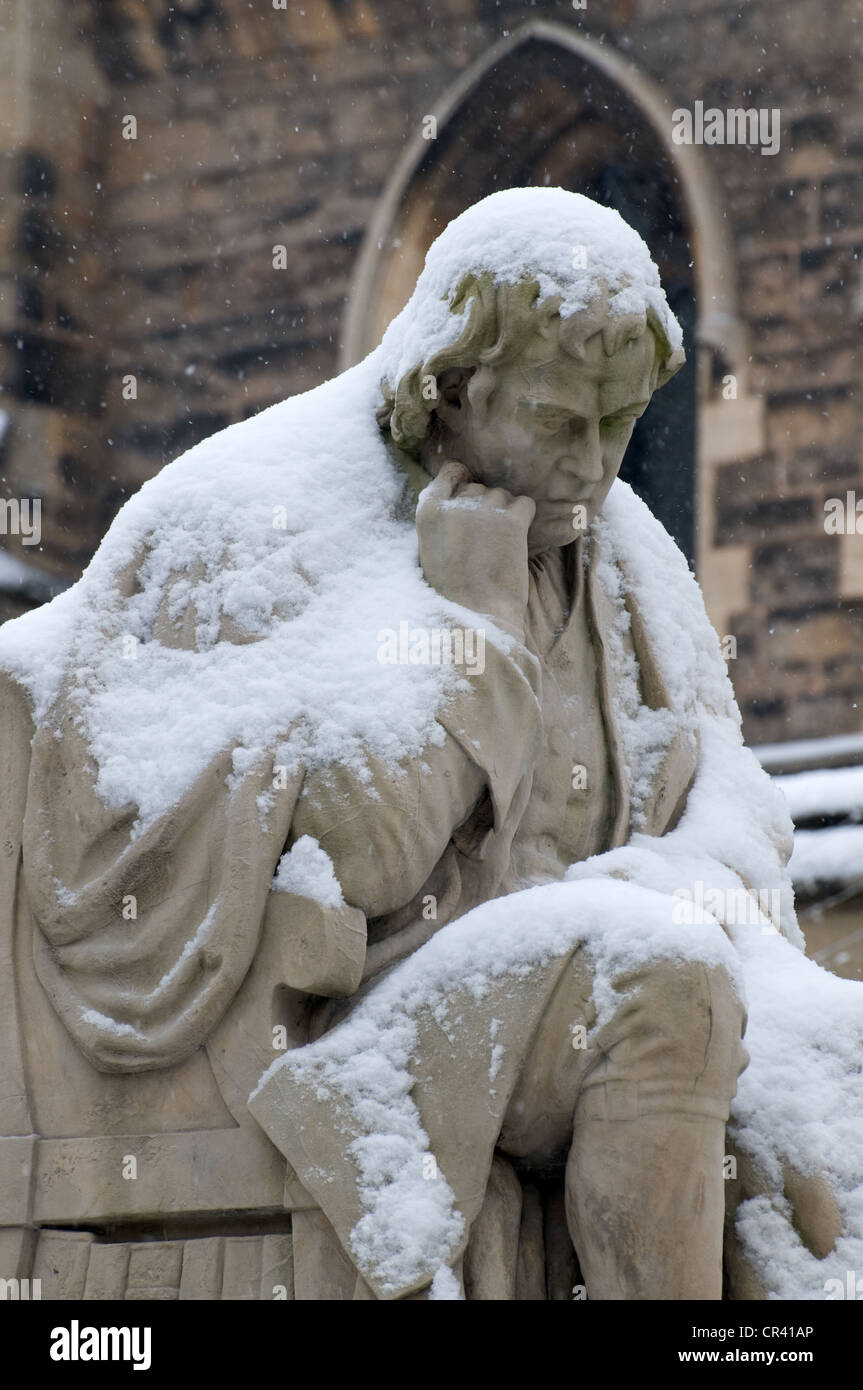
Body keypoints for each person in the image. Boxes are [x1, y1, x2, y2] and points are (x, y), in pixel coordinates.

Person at [0, 188, 820, 1300]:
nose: (591, 468)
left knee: (828, 1064)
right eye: (555, 422)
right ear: (452, 388)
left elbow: (736, 813)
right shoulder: (269, 522)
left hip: (583, 996)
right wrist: (470, 638)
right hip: (374, 1026)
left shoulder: (626, 558)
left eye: (616, 425)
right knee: (657, 987)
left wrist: (664, 875)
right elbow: (355, 859)